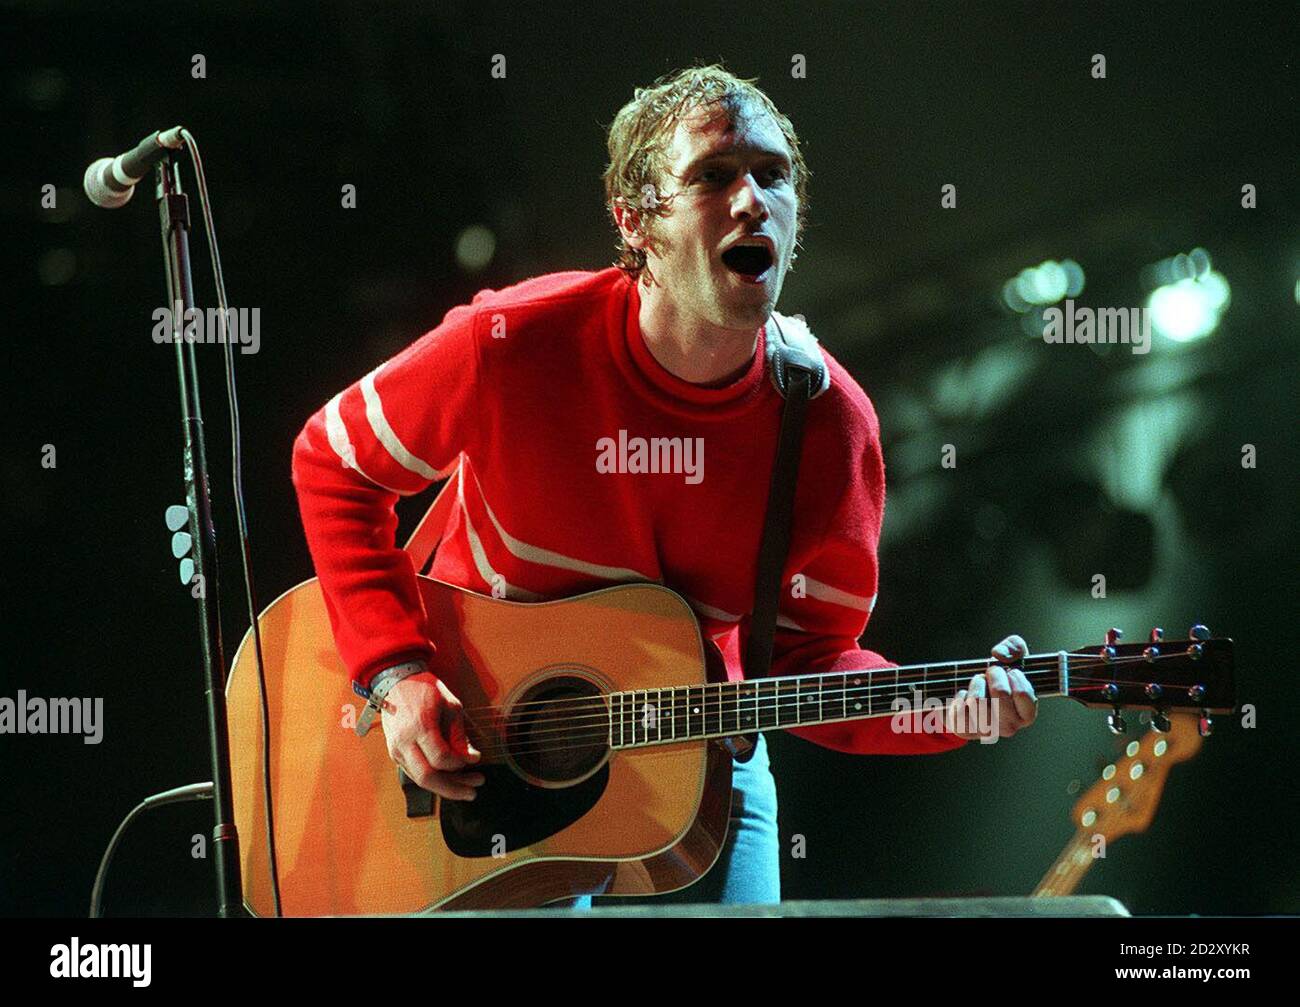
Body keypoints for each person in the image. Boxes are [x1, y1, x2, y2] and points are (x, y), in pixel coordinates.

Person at [290, 64, 1038, 909]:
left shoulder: (832, 428)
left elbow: (810, 664)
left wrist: (942, 711)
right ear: (635, 218)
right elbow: (332, 462)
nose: (753, 200)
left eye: (773, 175)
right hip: (484, 751)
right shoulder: (511, 345)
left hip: (701, 751)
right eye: (714, 176)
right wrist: (396, 671)